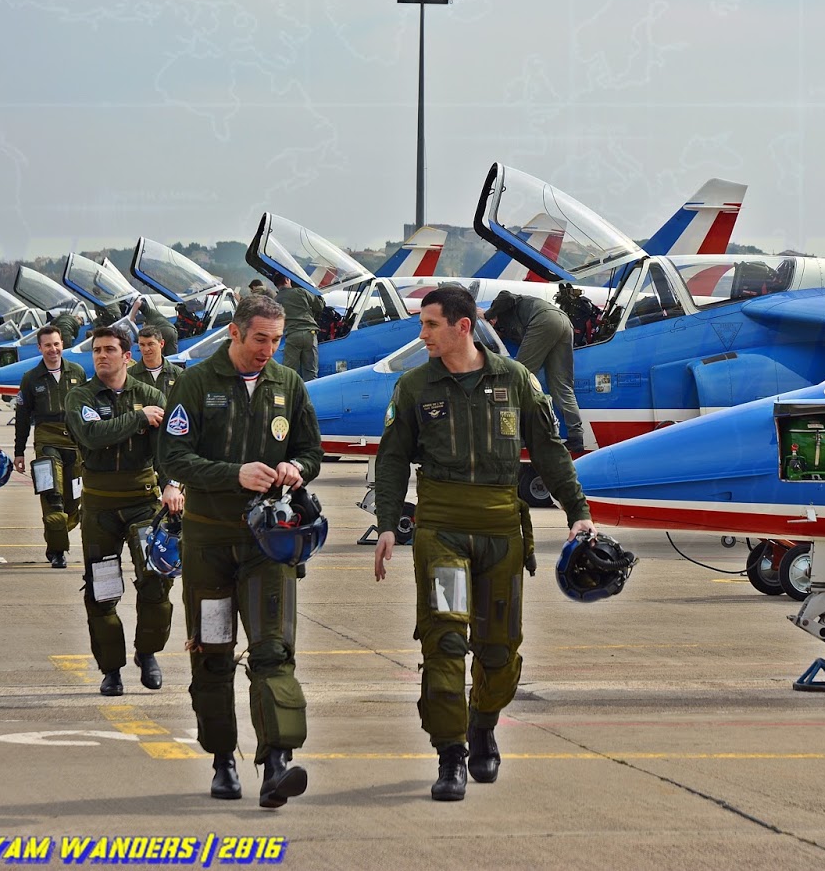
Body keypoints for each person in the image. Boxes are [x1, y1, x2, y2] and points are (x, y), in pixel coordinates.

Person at [372, 285, 595, 801]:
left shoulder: (515, 380)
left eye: (431, 325)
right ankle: (450, 754)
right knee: (447, 637)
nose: (422, 334)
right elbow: (391, 459)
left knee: (499, 648)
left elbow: (549, 450)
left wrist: (578, 512)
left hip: (500, 533)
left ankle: (483, 726)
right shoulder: (414, 387)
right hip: (442, 530)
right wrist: (387, 522)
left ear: (462, 327)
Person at [161, 295, 323, 808]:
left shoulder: (287, 384)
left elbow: (311, 450)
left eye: (276, 341)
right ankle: (222, 757)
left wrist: (298, 468)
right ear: (235, 333)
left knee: (274, 650)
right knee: (212, 654)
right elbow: (172, 456)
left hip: (266, 542)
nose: (269, 351)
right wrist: (232, 474)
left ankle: (277, 761)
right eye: (260, 340)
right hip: (209, 542)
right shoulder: (195, 382)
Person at [65, 326, 180, 698]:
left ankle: (147, 654)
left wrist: (172, 484)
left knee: (156, 578)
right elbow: (92, 436)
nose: (101, 356)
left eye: (110, 350)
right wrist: (138, 419)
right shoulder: (80, 396)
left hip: (143, 501)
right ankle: (111, 669)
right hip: (99, 504)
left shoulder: (150, 395)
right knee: (102, 589)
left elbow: (166, 448)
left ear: (126, 357)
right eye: (97, 350)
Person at [13, 324, 88, 568]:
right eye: (47, 345)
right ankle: (58, 552)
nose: (53, 349)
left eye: (56, 344)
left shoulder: (77, 373)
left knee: (73, 506)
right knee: (52, 495)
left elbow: (89, 412)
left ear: (62, 345)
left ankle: (54, 538)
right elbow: (23, 418)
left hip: (74, 441)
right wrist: (18, 452)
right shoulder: (30, 378)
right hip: (46, 439)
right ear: (40, 348)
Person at [483, 290, 588, 454]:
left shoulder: (503, 307)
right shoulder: (512, 326)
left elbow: (506, 296)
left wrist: (487, 314)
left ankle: (520, 435)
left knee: (516, 380)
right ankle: (576, 437)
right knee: (562, 386)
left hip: (544, 320)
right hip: (564, 322)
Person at [271, 274, 323, 382]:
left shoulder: (275, 301)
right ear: (287, 280)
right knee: (311, 372)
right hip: (310, 333)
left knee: (289, 373)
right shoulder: (301, 291)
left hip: (292, 335)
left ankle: (290, 397)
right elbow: (320, 306)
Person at [128, 325, 184, 404]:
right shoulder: (130, 376)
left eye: (150, 344)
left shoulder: (177, 374)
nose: (146, 349)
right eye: (142, 345)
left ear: (161, 343)